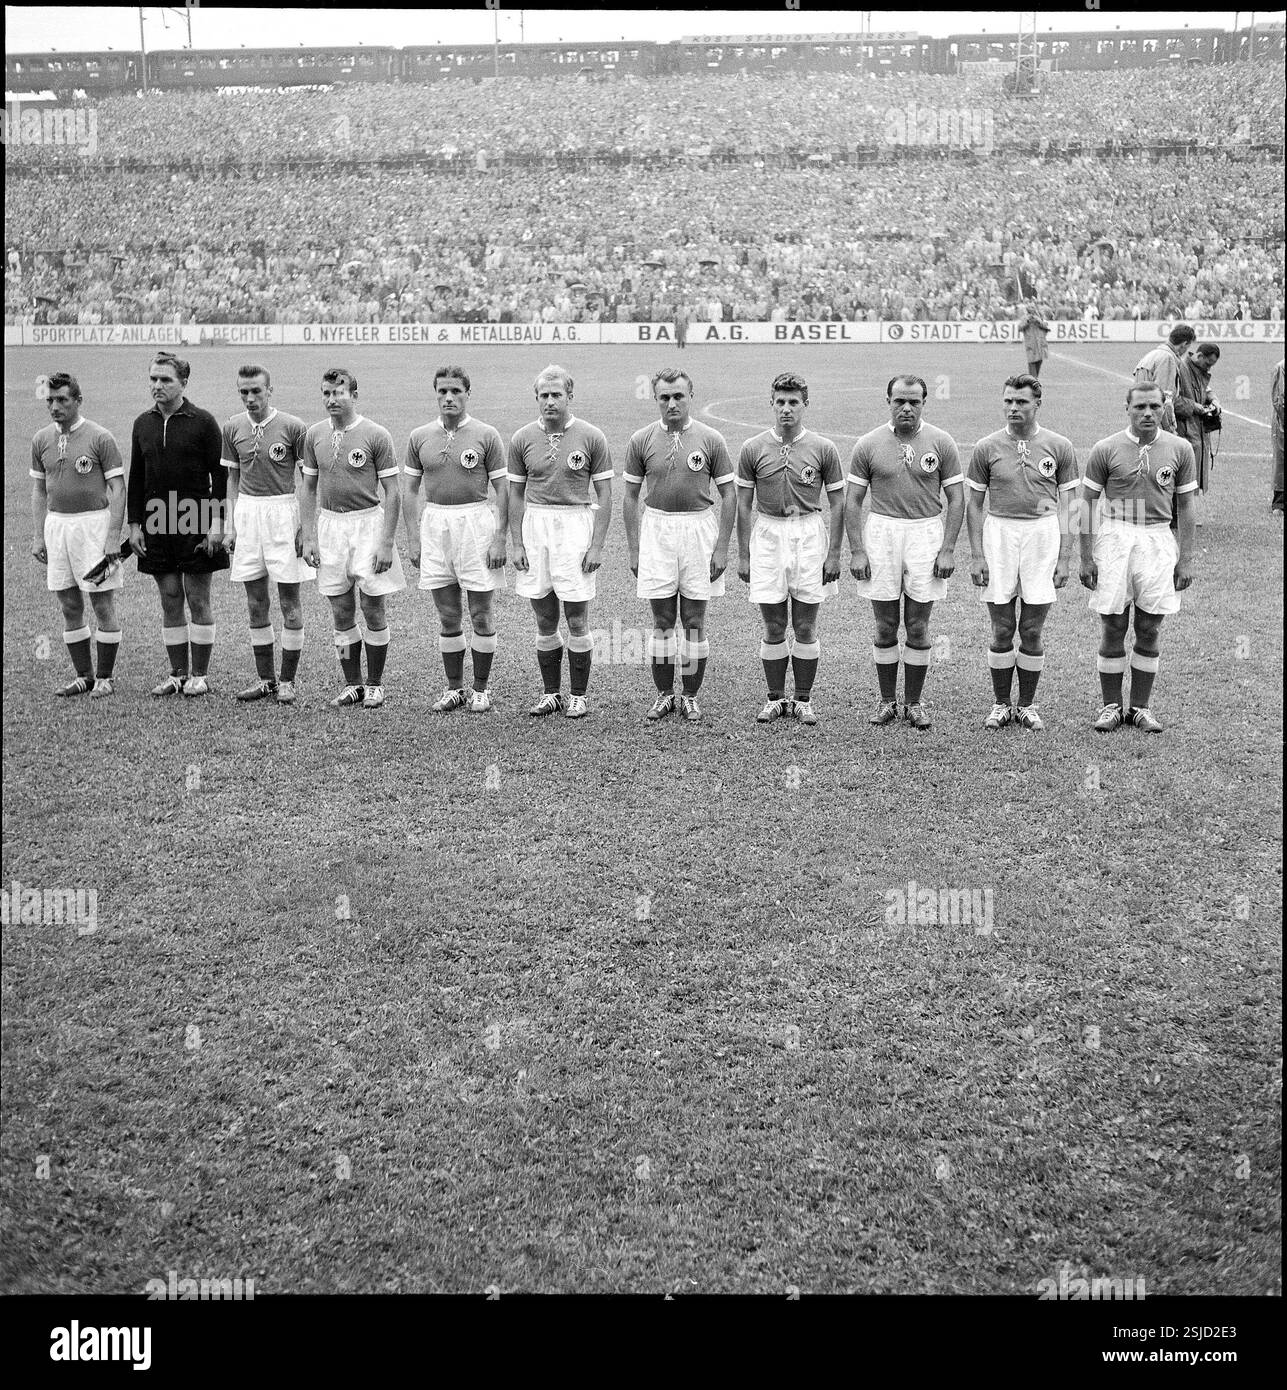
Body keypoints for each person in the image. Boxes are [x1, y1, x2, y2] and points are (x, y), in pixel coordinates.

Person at [845, 375, 965, 730]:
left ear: (924, 403)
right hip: (882, 532)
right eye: (900, 401)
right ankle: (886, 702)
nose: (907, 407)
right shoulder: (868, 444)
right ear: (888, 402)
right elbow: (853, 500)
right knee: (885, 626)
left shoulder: (941, 442)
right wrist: (857, 551)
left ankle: (914, 702)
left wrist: (948, 549)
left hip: (925, 533)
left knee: (917, 624)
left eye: (914, 401)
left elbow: (957, 498)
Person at [1078, 382, 1197, 733]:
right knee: (1113, 624)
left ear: (1164, 409)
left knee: (1149, 626)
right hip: (1115, 536)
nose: (1147, 413)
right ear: (1127, 408)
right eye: (1140, 407)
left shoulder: (1180, 448)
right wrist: (1086, 556)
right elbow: (1085, 503)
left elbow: (1187, 505)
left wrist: (1186, 558)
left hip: (1158, 538)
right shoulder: (1106, 448)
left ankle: (1141, 708)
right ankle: (1111, 707)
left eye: (1154, 407)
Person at [965, 375, 1078, 730]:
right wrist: (976, 554)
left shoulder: (1059, 446)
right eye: (1009, 401)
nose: (1014, 408)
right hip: (999, 533)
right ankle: (1001, 704)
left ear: (1037, 404)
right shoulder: (986, 447)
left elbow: (1072, 504)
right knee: (1001, 628)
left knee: (1030, 628)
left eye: (1022, 402)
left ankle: (1027, 705)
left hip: (1041, 536)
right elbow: (973, 503)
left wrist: (1065, 558)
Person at [622, 368, 735, 723]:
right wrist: (635, 548)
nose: (672, 403)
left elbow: (729, 494)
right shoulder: (641, 439)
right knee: (662, 620)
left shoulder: (711, 438)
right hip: (657, 529)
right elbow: (629, 496)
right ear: (655, 399)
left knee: (694, 620)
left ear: (690, 396)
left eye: (678, 396)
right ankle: (663, 695)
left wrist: (721, 548)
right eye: (664, 397)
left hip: (699, 528)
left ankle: (689, 696)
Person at [735, 372, 844, 725]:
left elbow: (839, 503)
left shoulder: (823, 448)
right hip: (768, 533)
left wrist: (835, 553)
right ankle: (774, 698)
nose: (786, 409)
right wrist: (743, 553)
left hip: (808, 533)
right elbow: (741, 503)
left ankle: (803, 699)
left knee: (806, 625)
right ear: (771, 403)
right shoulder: (753, 448)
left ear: (805, 405)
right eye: (780, 402)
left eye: (793, 403)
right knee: (773, 625)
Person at [507, 365, 613, 719]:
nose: (550, 401)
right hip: (536, 525)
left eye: (557, 395)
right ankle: (551, 693)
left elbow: (605, 494)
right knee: (544, 615)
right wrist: (518, 544)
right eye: (544, 395)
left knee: (577, 616)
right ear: (536, 398)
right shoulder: (522, 438)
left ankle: (578, 695)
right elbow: (515, 495)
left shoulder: (591, 436)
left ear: (570, 396)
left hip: (574, 525)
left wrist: (596, 546)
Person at [299, 367, 405, 709]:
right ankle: (352, 683)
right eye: (327, 393)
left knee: (373, 608)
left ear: (354, 395)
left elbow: (393, 492)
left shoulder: (376, 434)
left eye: (339, 393)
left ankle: (374, 683)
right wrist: (310, 535)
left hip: (367, 525)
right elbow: (308, 488)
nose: (332, 399)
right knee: (341, 611)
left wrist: (386, 542)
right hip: (330, 526)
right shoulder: (314, 435)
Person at [403, 365, 508, 712]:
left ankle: (480, 688)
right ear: (435, 393)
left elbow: (503, 490)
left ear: (467, 394)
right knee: (448, 614)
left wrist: (499, 538)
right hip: (435, 523)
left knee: (480, 613)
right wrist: (414, 539)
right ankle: (454, 688)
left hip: (475, 522)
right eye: (443, 391)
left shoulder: (486, 435)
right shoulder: (420, 436)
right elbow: (409, 490)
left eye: (456, 391)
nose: (449, 397)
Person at [127, 353, 228, 698]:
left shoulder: (203, 422)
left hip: (196, 518)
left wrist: (217, 523)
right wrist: (135, 524)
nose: (157, 385)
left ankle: (199, 674)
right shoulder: (143, 423)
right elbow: (136, 477)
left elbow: (220, 474)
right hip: (157, 519)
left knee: (197, 597)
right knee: (170, 597)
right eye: (153, 379)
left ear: (183, 383)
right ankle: (177, 674)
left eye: (165, 380)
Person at [221, 364, 314, 704]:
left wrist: (305, 526)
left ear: (269, 391)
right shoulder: (232, 427)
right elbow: (231, 479)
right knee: (256, 601)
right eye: (243, 392)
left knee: (289, 602)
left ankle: (288, 680)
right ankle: (266, 680)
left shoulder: (293, 427)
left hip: (282, 512)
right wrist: (230, 525)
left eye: (256, 391)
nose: (250, 398)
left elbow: (306, 480)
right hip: (248, 513)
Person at [30, 372, 126, 699]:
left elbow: (117, 488)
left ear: (78, 401)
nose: (55, 406)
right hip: (57, 527)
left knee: (101, 603)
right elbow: (40, 490)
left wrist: (113, 535)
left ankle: (105, 677)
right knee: (69, 604)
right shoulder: (41, 439)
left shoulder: (100, 437)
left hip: (93, 527)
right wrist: (38, 535)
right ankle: (83, 676)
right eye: (50, 401)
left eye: (62, 400)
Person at [1173, 341, 1221, 523]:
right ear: (1199, 356)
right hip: (1184, 429)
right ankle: (1179, 516)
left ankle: (1186, 515)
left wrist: (1214, 401)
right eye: (1208, 363)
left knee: (1193, 474)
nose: (1208, 368)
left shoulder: (1200, 371)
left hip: (1197, 430)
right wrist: (1196, 407)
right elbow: (1172, 400)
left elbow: (1206, 390)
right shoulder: (1180, 367)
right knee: (1184, 473)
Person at [1133, 323, 1195, 436]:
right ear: (1184, 344)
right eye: (1188, 346)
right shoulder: (1167, 359)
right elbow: (1164, 400)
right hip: (1155, 425)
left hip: (1140, 420)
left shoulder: (1151, 355)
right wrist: (1170, 430)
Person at [1017, 300, 1050, 379]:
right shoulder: (1024, 317)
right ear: (1027, 309)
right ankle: (1033, 378)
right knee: (1032, 360)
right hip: (1031, 342)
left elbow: (1046, 327)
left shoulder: (1040, 317)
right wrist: (1027, 321)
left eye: (1033, 307)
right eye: (1030, 307)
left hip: (1040, 342)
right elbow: (1020, 328)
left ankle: (1035, 377)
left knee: (1040, 360)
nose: (1032, 309)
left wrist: (1039, 322)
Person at [1272, 358, 1285, 518]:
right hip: (1282, 421)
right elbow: (1278, 399)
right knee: (1281, 460)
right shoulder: (1281, 368)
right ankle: (1279, 503)